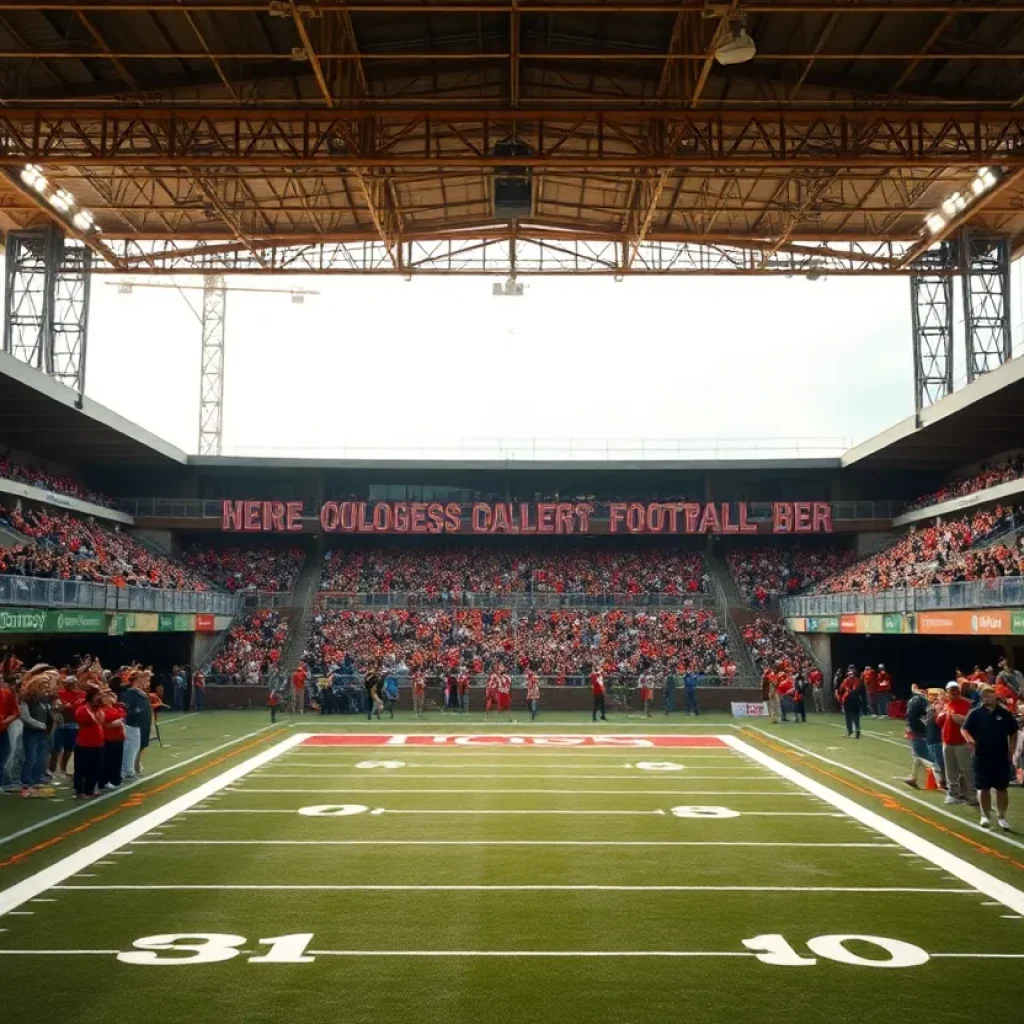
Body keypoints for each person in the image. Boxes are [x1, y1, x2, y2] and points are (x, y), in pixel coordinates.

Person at [961, 685, 1019, 830]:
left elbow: (1014, 732)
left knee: (1001, 788)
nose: (988, 697)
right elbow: (964, 728)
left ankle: (1001, 816)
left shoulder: (1004, 714)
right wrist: (969, 739)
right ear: (982, 698)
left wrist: (1012, 749)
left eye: (990, 694)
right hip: (981, 755)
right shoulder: (975, 713)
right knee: (983, 787)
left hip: (1000, 756)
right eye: (985, 695)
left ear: (995, 696)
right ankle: (984, 815)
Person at [18, 665, 58, 797]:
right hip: (31, 733)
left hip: (42, 733)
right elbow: (25, 717)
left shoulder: (44, 699)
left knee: (39, 757)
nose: (46, 686)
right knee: (30, 758)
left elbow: (48, 714)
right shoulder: (27, 698)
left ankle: (34, 781)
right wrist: (41, 725)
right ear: (36, 684)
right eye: (44, 684)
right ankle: (25, 785)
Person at [936, 681, 976, 807]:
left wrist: (962, 720)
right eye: (951, 690)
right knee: (950, 771)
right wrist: (941, 715)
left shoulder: (968, 704)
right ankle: (954, 794)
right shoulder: (946, 704)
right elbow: (939, 721)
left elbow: (974, 722)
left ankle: (972, 796)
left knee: (967, 771)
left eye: (955, 689)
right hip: (947, 742)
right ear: (947, 691)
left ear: (959, 690)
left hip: (962, 742)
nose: (953, 692)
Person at [73, 684, 106, 799]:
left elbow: (101, 720)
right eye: (98, 697)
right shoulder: (83, 709)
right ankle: (80, 791)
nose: (100, 700)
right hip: (84, 744)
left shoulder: (98, 710)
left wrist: (98, 708)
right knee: (82, 768)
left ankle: (90, 789)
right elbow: (93, 720)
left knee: (95, 768)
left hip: (97, 743)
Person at [120, 671, 151, 781]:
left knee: (135, 747)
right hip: (131, 724)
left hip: (139, 724)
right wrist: (134, 712)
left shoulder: (141, 693)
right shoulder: (131, 692)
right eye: (144, 679)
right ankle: (126, 771)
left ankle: (130, 769)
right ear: (138, 680)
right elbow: (125, 708)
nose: (147, 682)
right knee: (129, 748)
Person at [904, 683, 934, 789]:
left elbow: (912, 716)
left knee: (921, 755)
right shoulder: (922, 700)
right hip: (920, 730)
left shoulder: (918, 700)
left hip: (921, 731)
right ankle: (914, 777)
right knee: (918, 755)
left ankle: (939, 776)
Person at [99, 689, 126, 790]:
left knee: (116, 760)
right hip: (106, 738)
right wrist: (112, 723)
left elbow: (120, 721)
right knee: (106, 761)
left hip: (118, 738)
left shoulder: (118, 709)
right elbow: (103, 723)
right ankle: (103, 781)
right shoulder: (101, 710)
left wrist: (109, 724)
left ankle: (115, 780)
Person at [0, 673, 19, 792]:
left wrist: (7, 720)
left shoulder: (6, 694)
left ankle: (1, 782)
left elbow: (16, 711)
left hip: (3, 731)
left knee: (3, 757)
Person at [838, 668, 866, 739]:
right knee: (856, 717)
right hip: (857, 701)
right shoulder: (858, 681)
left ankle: (850, 732)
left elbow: (840, 690)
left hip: (848, 701)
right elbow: (862, 691)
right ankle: (857, 730)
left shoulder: (845, 681)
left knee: (848, 717)